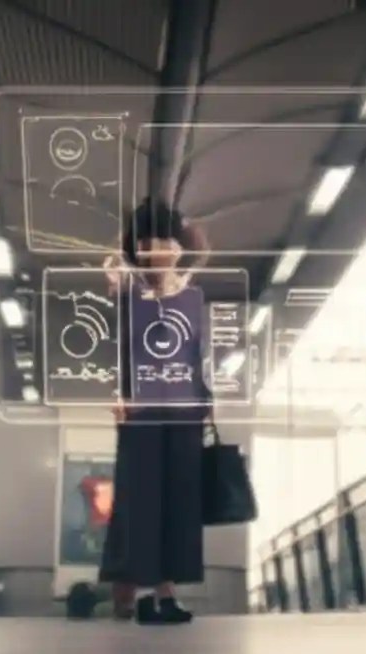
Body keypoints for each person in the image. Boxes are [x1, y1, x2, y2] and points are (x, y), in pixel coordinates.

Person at [97, 199, 211, 625]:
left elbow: (194, 351)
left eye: (165, 239)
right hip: (142, 410)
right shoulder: (127, 286)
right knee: (139, 498)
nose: (159, 248)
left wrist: (205, 402)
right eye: (150, 240)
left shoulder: (188, 292)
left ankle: (146, 593)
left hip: (183, 411)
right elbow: (115, 261)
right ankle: (145, 593)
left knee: (174, 499)